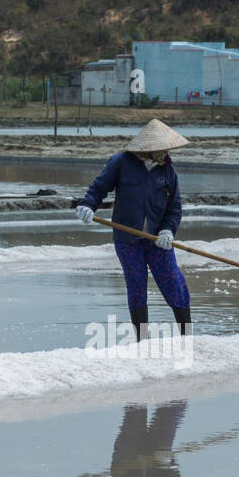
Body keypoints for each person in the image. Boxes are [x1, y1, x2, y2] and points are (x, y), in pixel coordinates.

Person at [76, 120, 191, 337]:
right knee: (136, 285)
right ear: (147, 149)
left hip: (157, 240)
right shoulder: (121, 162)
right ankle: (142, 340)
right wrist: (87, 205)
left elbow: (174, 208)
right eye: (161, 149)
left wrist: (167, 231)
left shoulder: (168, 170)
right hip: (127, 238)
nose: (165, 153)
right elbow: (99, 188)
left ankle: (187, 335)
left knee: (173, 282)